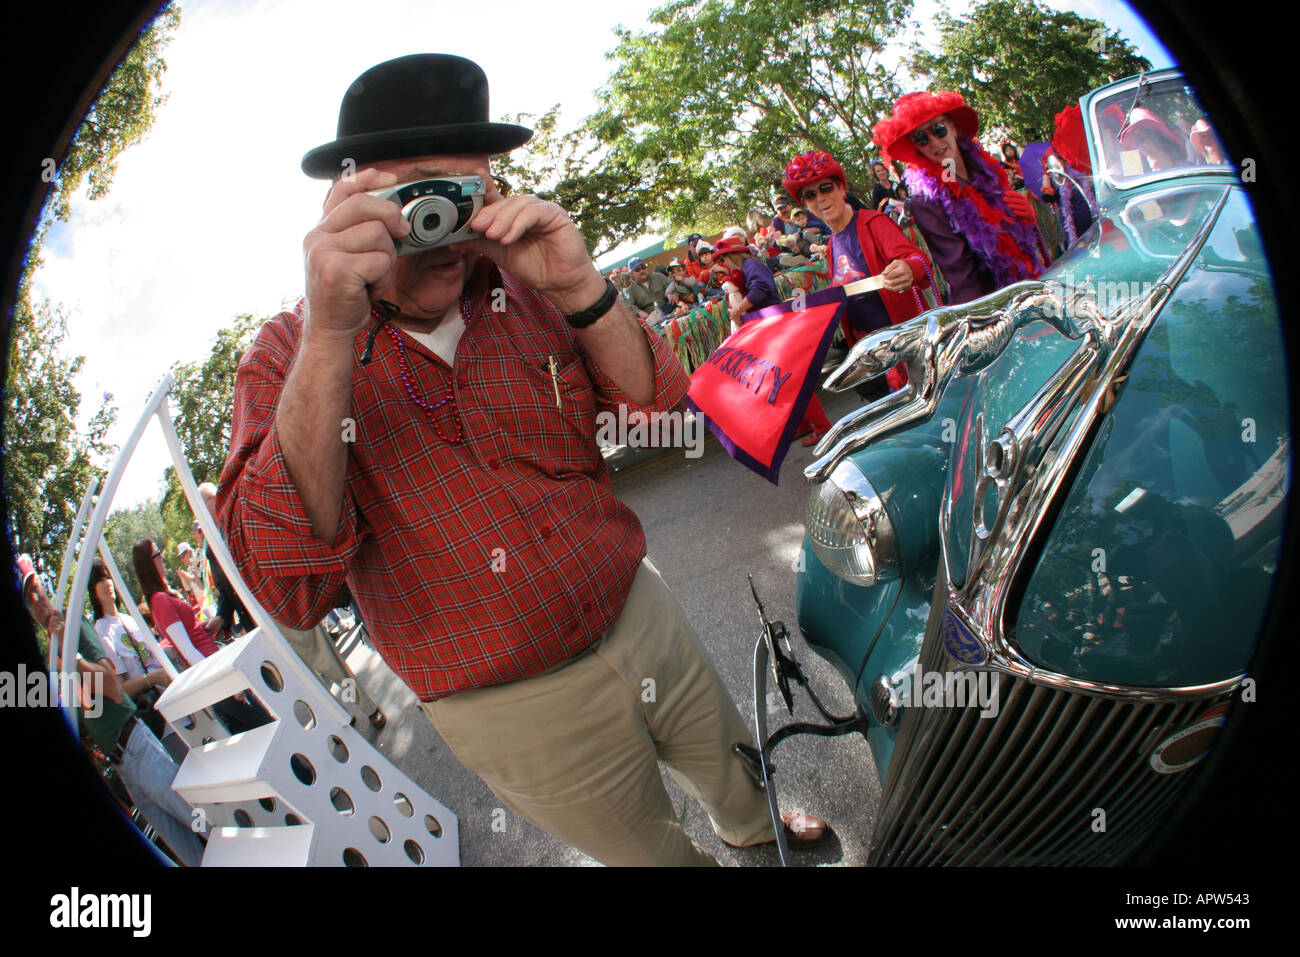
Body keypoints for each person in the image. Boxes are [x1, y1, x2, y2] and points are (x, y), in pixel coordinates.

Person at [217, 53, 827, 866]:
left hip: (638, 610)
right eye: (416, 195)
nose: (445, 227)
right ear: (349, 200)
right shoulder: (287, 356)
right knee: (652, 856)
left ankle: (757, 824)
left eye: (465, 192)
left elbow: (658, 413)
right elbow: (288, 580)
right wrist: (333, 333)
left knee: (730, 762)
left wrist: (580, 286)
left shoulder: (525, 288)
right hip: (508, 703)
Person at [18, 555, 203, 867]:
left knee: (202, 822)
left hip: (136, 745)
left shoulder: (72, 623)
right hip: (123, 766)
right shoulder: (51, 654)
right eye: (27, 599)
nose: (37, 602)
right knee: (188, 853)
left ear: (46, 587)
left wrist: (70, 655)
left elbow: (112, 687)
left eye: (37, 590)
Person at [782, 150, 939, 404]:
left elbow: (919, 260)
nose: (820, 199)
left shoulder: (873, 222)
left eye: (825, 188)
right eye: (810, 195)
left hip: (907, 349)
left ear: (841, 188)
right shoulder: (832, 245)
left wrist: (909, 268)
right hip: (874, 359)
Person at [873, 90, 1043, 305]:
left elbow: (1018, 241)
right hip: (994, 313)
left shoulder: (986, 172)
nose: (934, 142)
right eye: (921, 138)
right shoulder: (926, 203)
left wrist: (1028, 219)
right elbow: (964, 280)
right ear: (915, 147)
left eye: (938, 129)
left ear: (953, 127)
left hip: (1030, 288)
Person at [132, 539, 270, 734]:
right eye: (157, 554)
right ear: (149, 564)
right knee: (265, 726)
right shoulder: (160, 601)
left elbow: (188, 638)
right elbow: (187, 651)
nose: (162, 557)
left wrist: (200, 628)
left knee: (262, 727)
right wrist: (225, 684)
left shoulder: (161, 598)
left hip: (217, 674)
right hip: (217, 681)